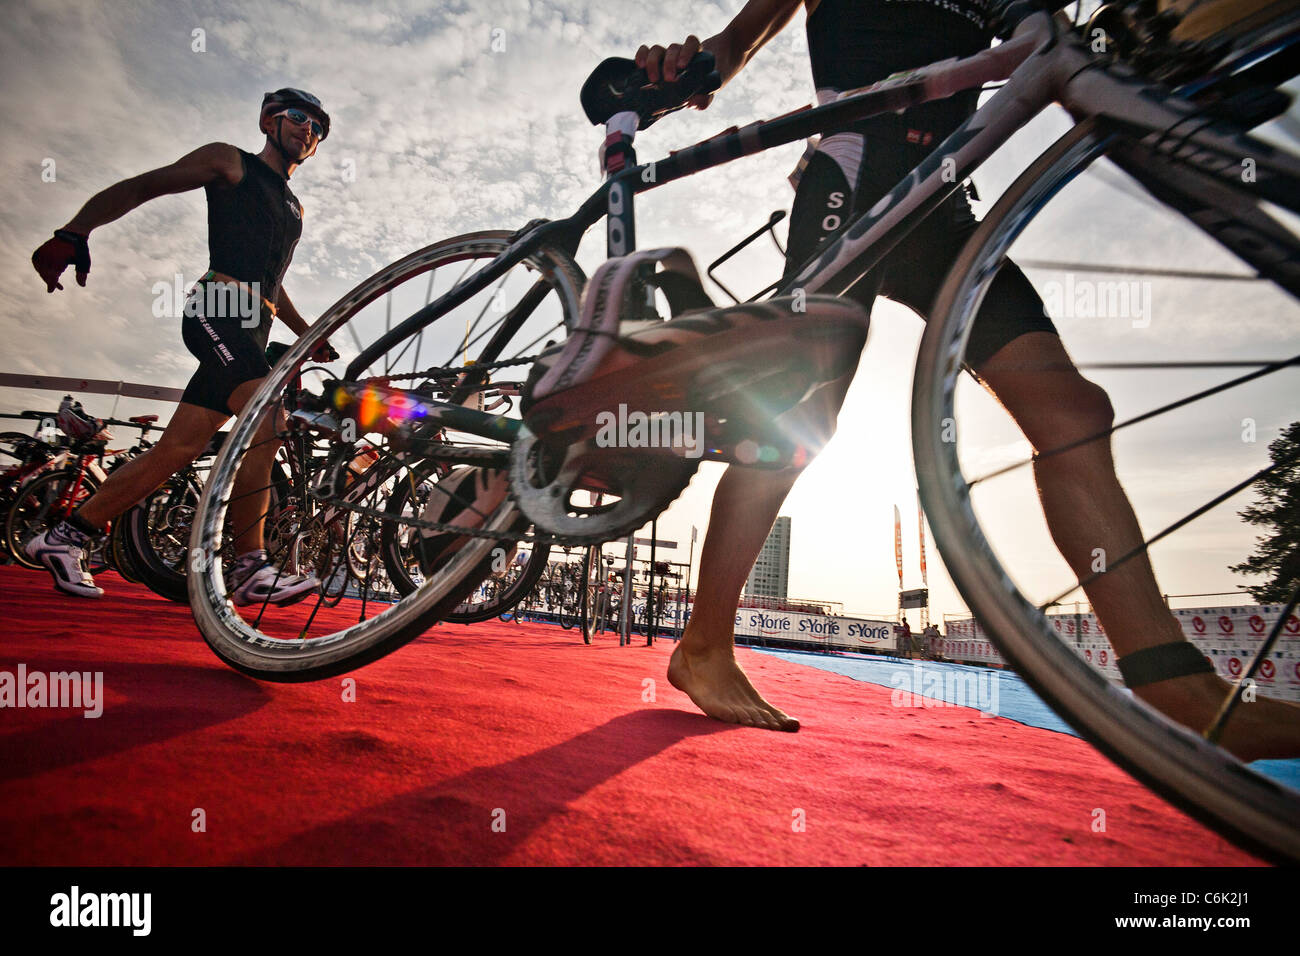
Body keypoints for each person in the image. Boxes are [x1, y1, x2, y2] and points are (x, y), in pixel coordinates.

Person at [634, 0, 1300, 760]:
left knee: (1071, 406)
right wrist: (679, 70)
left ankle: (1174, 683)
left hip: (945, 201)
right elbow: (733, 44)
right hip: (853, 176)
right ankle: (706, 645)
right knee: (800, 422)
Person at [28, 88, 337, 605]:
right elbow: (145, 186)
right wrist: (75, 231)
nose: (309, 130)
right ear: (269, 121)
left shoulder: (294, 207)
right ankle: (250, 567)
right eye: (300, 118)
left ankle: (67, 537)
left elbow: (272, 281)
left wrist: (308, 333)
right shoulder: (229, 162)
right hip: (217, 310)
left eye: (319, 128)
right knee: (267, 421)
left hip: (252, 327)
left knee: (177, 449)